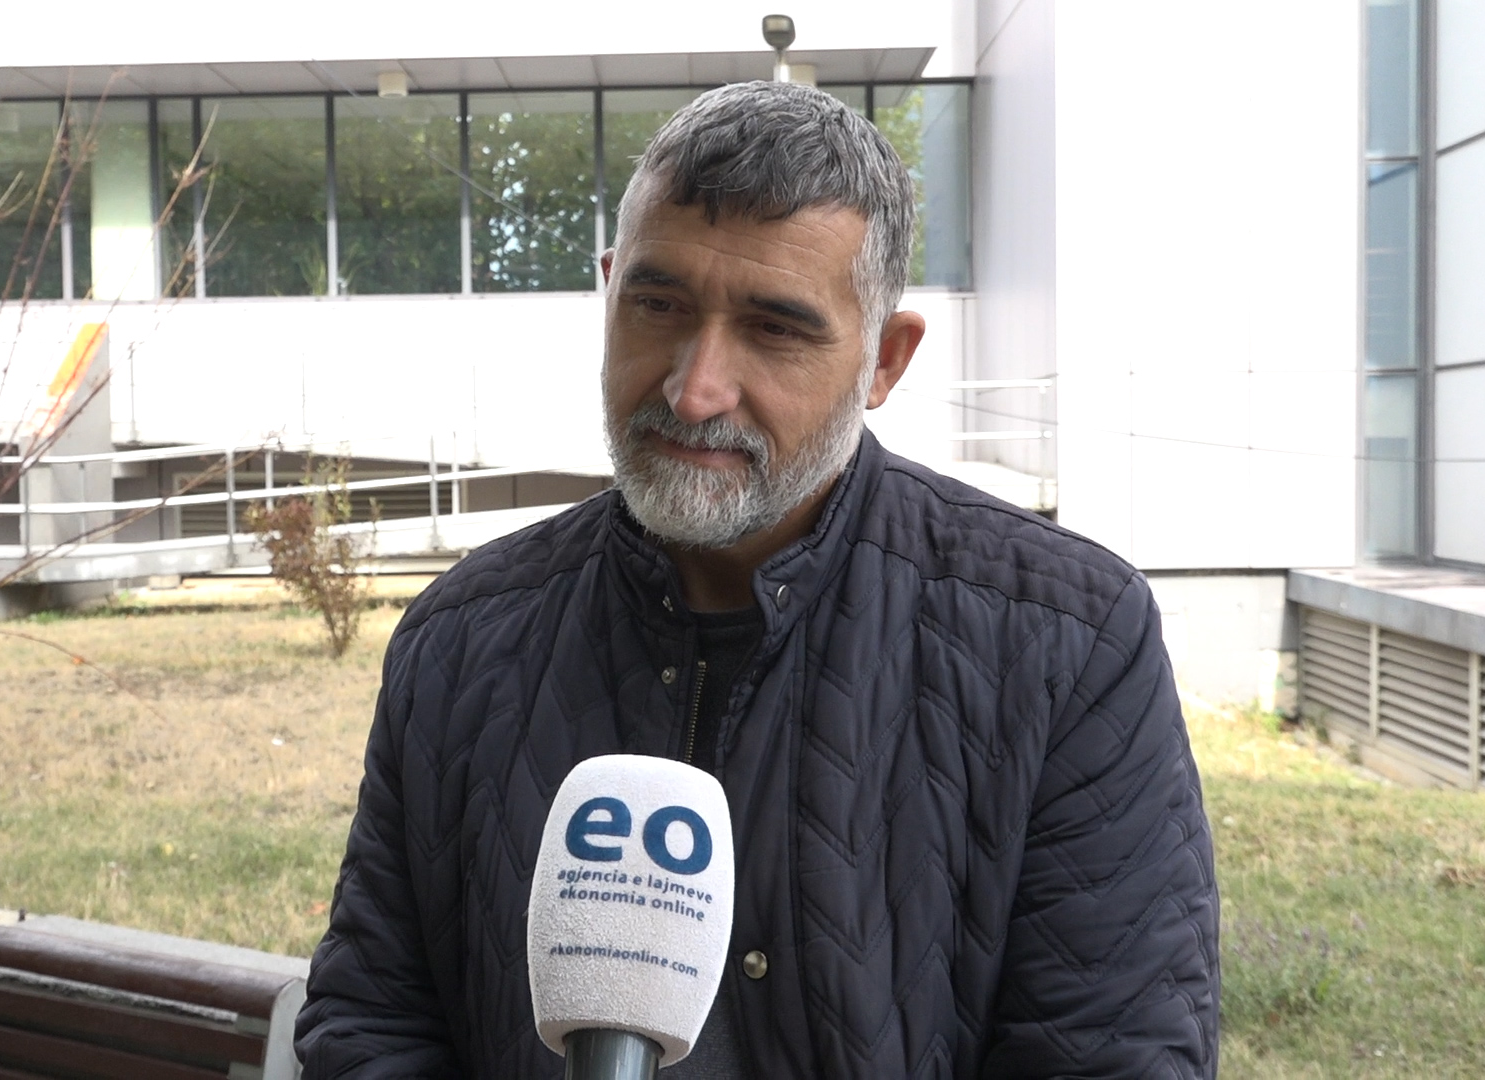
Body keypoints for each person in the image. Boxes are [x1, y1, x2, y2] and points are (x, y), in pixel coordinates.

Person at [296, 80, 1219, 1078]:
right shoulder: (459, 641)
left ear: (884, 361)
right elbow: (370, 1028)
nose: (696, 388)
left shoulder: (1066, 645)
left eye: (776, 328)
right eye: (658, 305)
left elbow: (1113, 1055)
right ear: (608, 294)